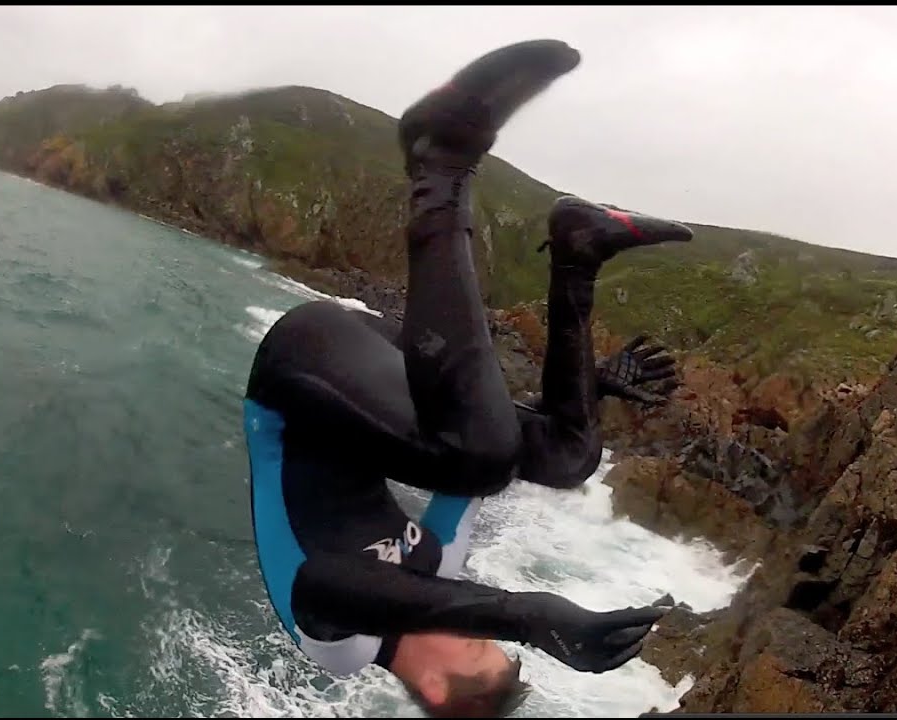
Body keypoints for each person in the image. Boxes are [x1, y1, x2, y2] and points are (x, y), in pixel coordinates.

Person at [241, 38, 693, 718]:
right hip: (364, 378)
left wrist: (528, 617)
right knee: (569, 458)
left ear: (432, 686)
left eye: (478, 646)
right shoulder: (438, 567)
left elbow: (337, 580)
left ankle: (441, 160)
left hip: (299, 372)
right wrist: (585, 390)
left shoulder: (334, 638)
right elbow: (496, 443)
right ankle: (577, 250)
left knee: (476, 459)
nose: (474, 627)